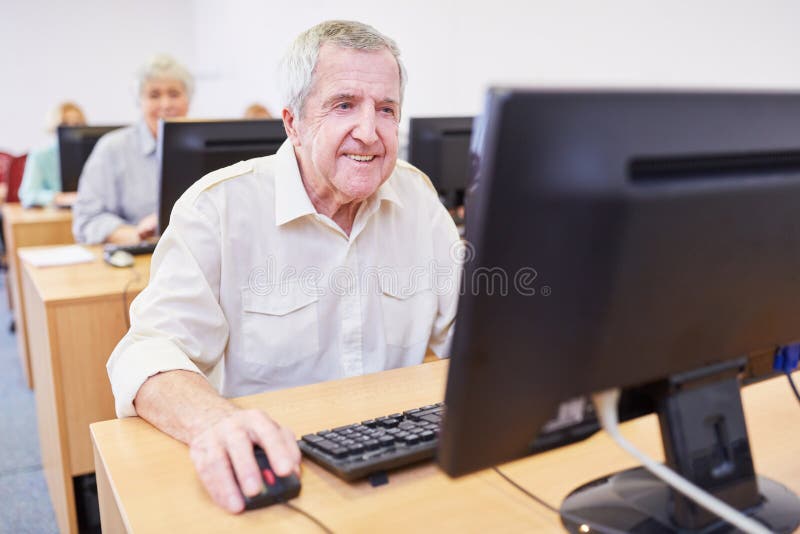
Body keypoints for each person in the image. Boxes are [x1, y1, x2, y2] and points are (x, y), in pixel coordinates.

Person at [106, 20, 460, 513]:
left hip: (399, 468)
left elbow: (469, 332)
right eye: (343, 105)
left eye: (386, 109)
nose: (370, 131)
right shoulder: (217, 209)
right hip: (277, 472)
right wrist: (212, 421)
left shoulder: (417, 198)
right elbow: (145, 353)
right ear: (293, 122)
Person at [72, 55, 192, 245]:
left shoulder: (204, 147)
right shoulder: (112, 149)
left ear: (188, 100)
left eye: (174, 94)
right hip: (138, 259)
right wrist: (138, 234)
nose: (166, 104)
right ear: (139, 101)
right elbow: (86, 221)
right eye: (154, 95)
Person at [18, 102, 87, 208]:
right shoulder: (40, 155)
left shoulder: (93, 155)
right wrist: (60, 198)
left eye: (77, 125)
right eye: (64, 124)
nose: (71, 130)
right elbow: (28, 194)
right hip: (53, 213)